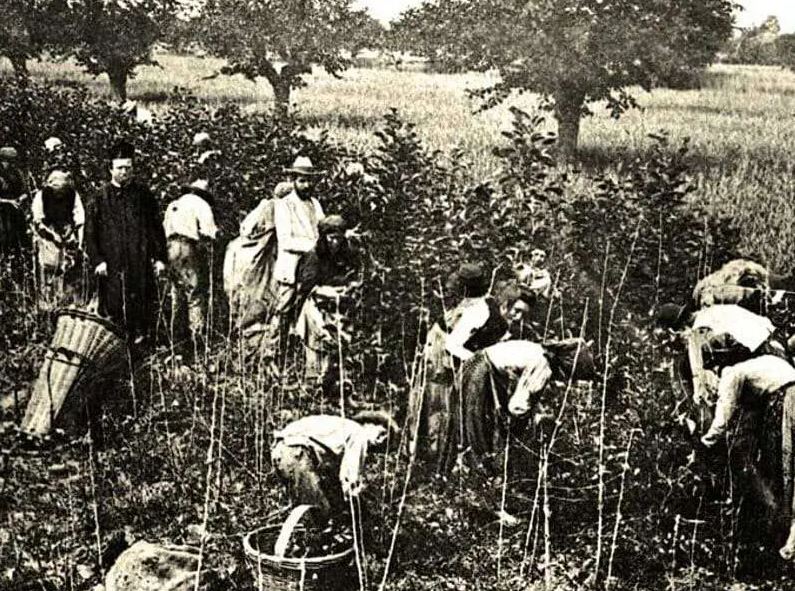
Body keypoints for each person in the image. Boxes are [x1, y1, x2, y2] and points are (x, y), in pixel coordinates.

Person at [84, 141, 167, 343]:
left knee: (142, 305)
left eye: (128, 168)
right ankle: (115, 349)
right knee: (113, 306)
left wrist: (159, 258)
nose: (124, 172)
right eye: (120, 168)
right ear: (111, 169)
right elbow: (90, 233)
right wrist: (98, 260)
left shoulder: (144, 195)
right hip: (110, 265)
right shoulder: (99, 198)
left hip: (139, 263)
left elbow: (156, 228)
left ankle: (141, 350)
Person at [270, 411, 399, 518]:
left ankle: (302, 543)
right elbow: (349, 478)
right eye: (381, 433)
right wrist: (355, 505)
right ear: (368, 423)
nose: (380, 440)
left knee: (308, 511)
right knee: (319, 512)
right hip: (295, 452)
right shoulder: (357, 432)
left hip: (280, 451)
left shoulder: (339, 431)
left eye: (385, 441)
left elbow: (333, 477)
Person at [263, 156, 326, 368]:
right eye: (302, 180)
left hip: (313, 269)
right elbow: (286, 239)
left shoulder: (314, 204)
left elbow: (323, 228)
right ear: (293, 180)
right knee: (283, 312)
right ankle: (271, 358)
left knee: (310, 313)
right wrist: (313, 245)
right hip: (291, 268)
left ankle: (304, 360)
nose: (306, 185)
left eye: (309, 180)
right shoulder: (284, 205)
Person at [655, 302, 779, 405]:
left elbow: (699, 369)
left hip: (760, 353)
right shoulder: (713, 311)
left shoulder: (699, 330)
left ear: (679, 328)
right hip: (772, 340)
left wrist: (701, 391)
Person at [163, 179, 218, 352]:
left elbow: (164, 230)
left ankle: (177, 344)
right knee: (195, 296)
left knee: (176, 296)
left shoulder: (174, 204)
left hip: (170, 248)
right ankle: (198, 342)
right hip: (188, 248)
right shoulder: (201, 205)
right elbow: (210, 232)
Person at [700, 355, 795, 447]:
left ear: (715, 369)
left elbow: (725, 410)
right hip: (789, 388)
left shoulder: (731, 373)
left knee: (782, 445)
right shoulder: (752, 365)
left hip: (786, 396)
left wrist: (709, 439)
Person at [30, 170, 85, 310]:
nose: (59, 193)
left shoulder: (73, 195)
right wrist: (52, 235)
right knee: (47, 268)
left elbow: (80, 219)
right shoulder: (41, 195)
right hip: (47, 235)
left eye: (62, 189)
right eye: (56, 189)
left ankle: (63, 303)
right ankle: (45, 304)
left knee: (65, 269)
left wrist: (76, 237)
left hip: (66, 233)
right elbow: (37, 220)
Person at [0, 146, 28, 254]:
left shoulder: (17, 173)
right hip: (2, 208)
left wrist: (20, 198)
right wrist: (8, 202)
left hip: (14, 208)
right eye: (7, 161)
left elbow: (24, 191)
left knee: (20, 231)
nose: (10, 164)